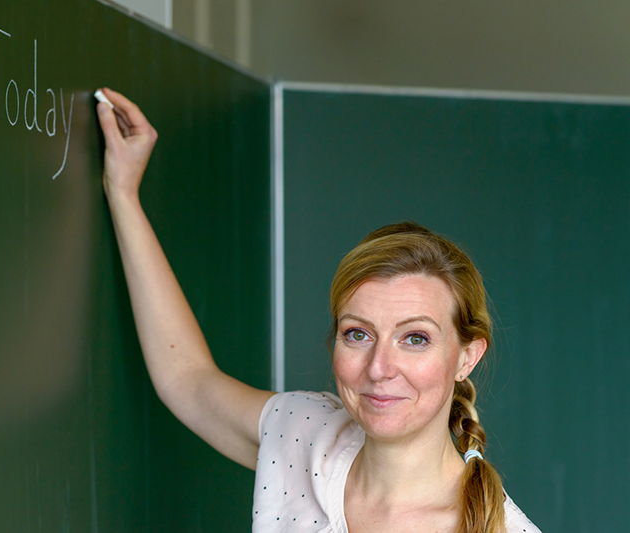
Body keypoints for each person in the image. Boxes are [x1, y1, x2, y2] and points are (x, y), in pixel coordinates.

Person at [95, 88, 542, 533]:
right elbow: (186, 378)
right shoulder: (304, 435)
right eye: (358, 334)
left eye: (415, 338)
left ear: (467, 356)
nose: (380, 368)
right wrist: (123, 193)